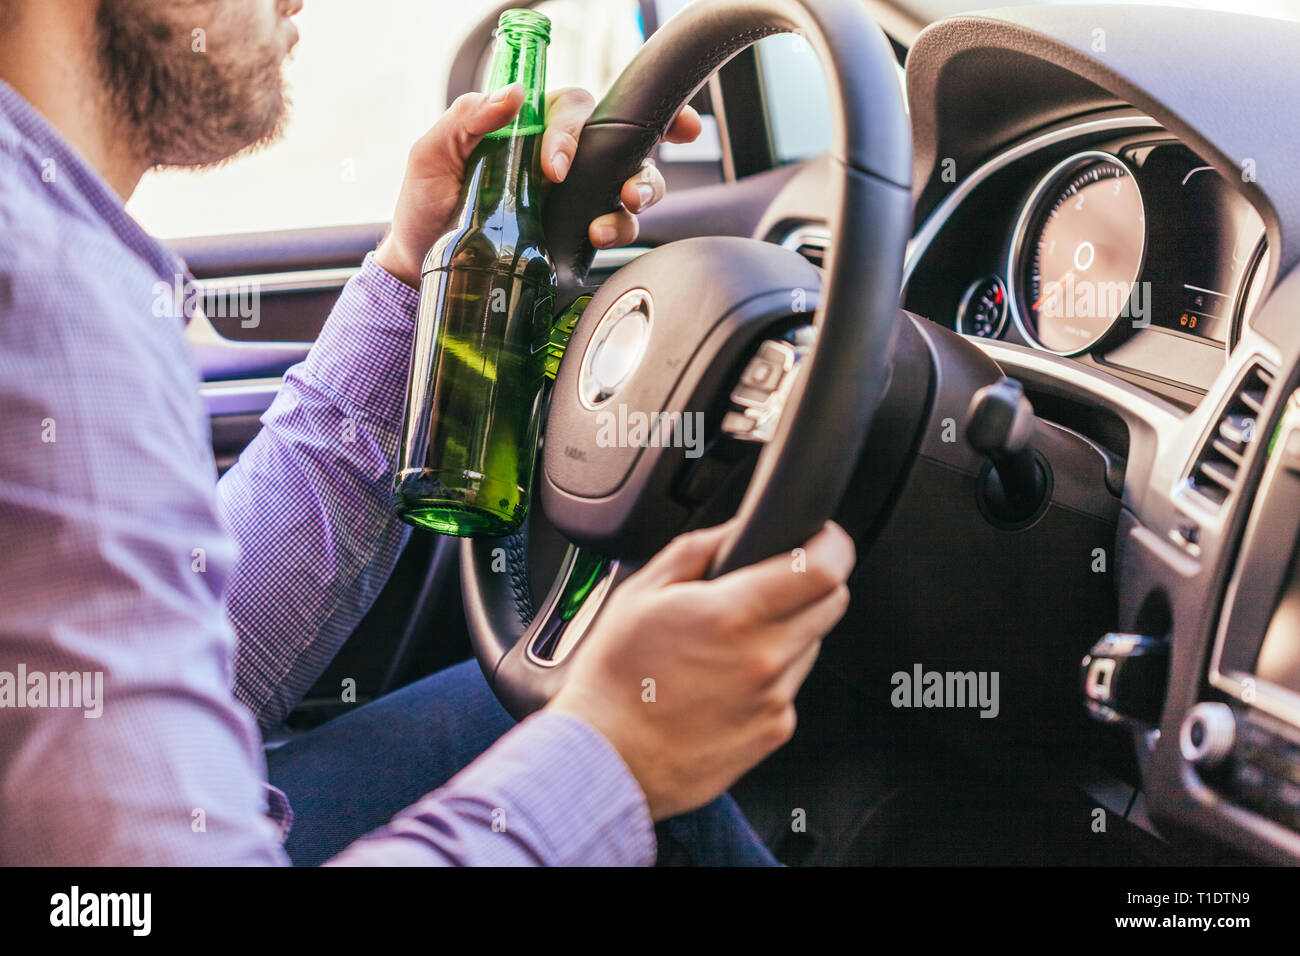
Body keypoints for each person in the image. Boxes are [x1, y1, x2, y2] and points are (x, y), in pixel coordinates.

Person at [0, 0, 854, 866]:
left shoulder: (51, 250)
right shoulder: (40, 295)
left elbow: (193, 637)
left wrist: (423, 274)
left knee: (526, 713)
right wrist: (619, 761)